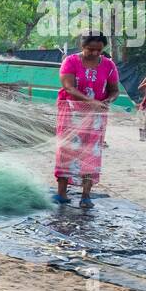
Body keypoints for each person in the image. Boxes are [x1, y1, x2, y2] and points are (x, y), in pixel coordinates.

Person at [55, 31, 119, 208]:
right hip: (70, 112)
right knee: (67, 149)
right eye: (91, 49)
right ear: (82, 46)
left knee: (91, 153)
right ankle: (61, 193)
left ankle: (86, 195)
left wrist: (108, 100)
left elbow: (114, 90)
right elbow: (68, 87)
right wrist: (91, 101)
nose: (95, 53)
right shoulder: (71, 61)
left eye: (99, 50)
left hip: (96, 116)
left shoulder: (109, 65)